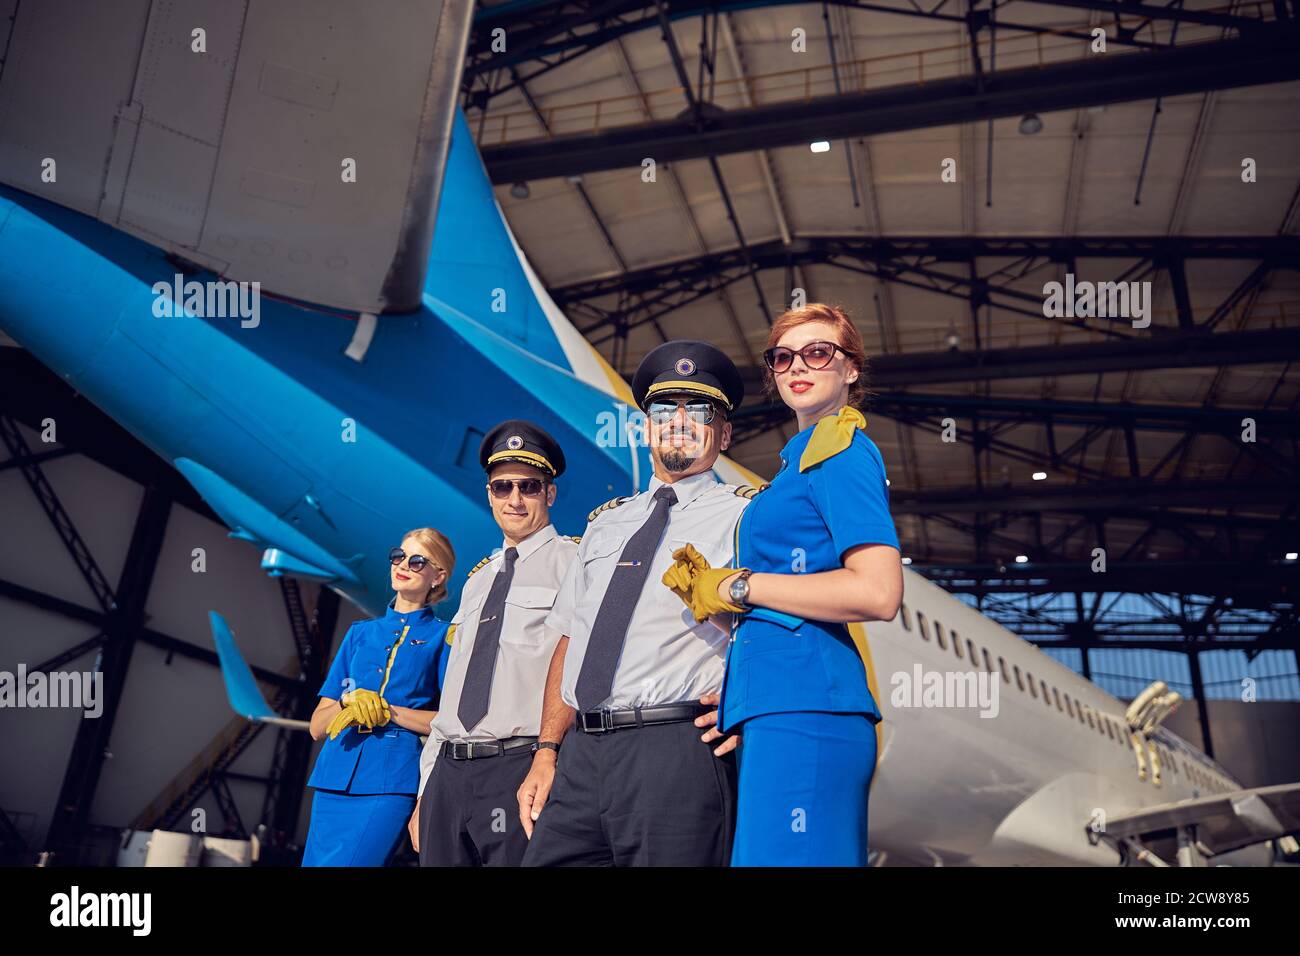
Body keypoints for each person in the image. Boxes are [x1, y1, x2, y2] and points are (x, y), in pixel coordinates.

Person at [665, 303, 903, 866]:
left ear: (850, 370)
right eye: (783, 357)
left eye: (819, 352)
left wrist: (739, 588)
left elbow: (878, 593)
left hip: (810, 710)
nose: (799, 365)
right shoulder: (797, 462)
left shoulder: (841, 453)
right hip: (777, 707)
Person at [517, 340, 754, 867]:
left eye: (702, 411)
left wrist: (750, 699)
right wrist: (547, 751)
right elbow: (571, 639)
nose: (680, 421)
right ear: (646, 424)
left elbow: (780, 623)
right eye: (665, 408)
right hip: (581, 754)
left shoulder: (746, 518)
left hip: (676, 747)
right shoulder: (605, 523)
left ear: (725, 432)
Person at [410, 420, 578, 866]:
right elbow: (454, 697)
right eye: (503, 487)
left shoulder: (575, 563)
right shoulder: (477, 581)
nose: (515, 499)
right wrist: (428, 787)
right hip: (449, 772)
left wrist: (554, 758)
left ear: (550, 494)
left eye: (529, 486)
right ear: (490, 494)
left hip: (519, 765)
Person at [301, 527, 455, 866]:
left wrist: (388, 712)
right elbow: (316, 726)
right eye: (398, 556)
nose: (402, 565)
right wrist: (347, 702)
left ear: (437, 576)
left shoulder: (444, 637)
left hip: (389, 783)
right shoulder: (358, 634)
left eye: (417, 561)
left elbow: (450, 722)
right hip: (333, 777)